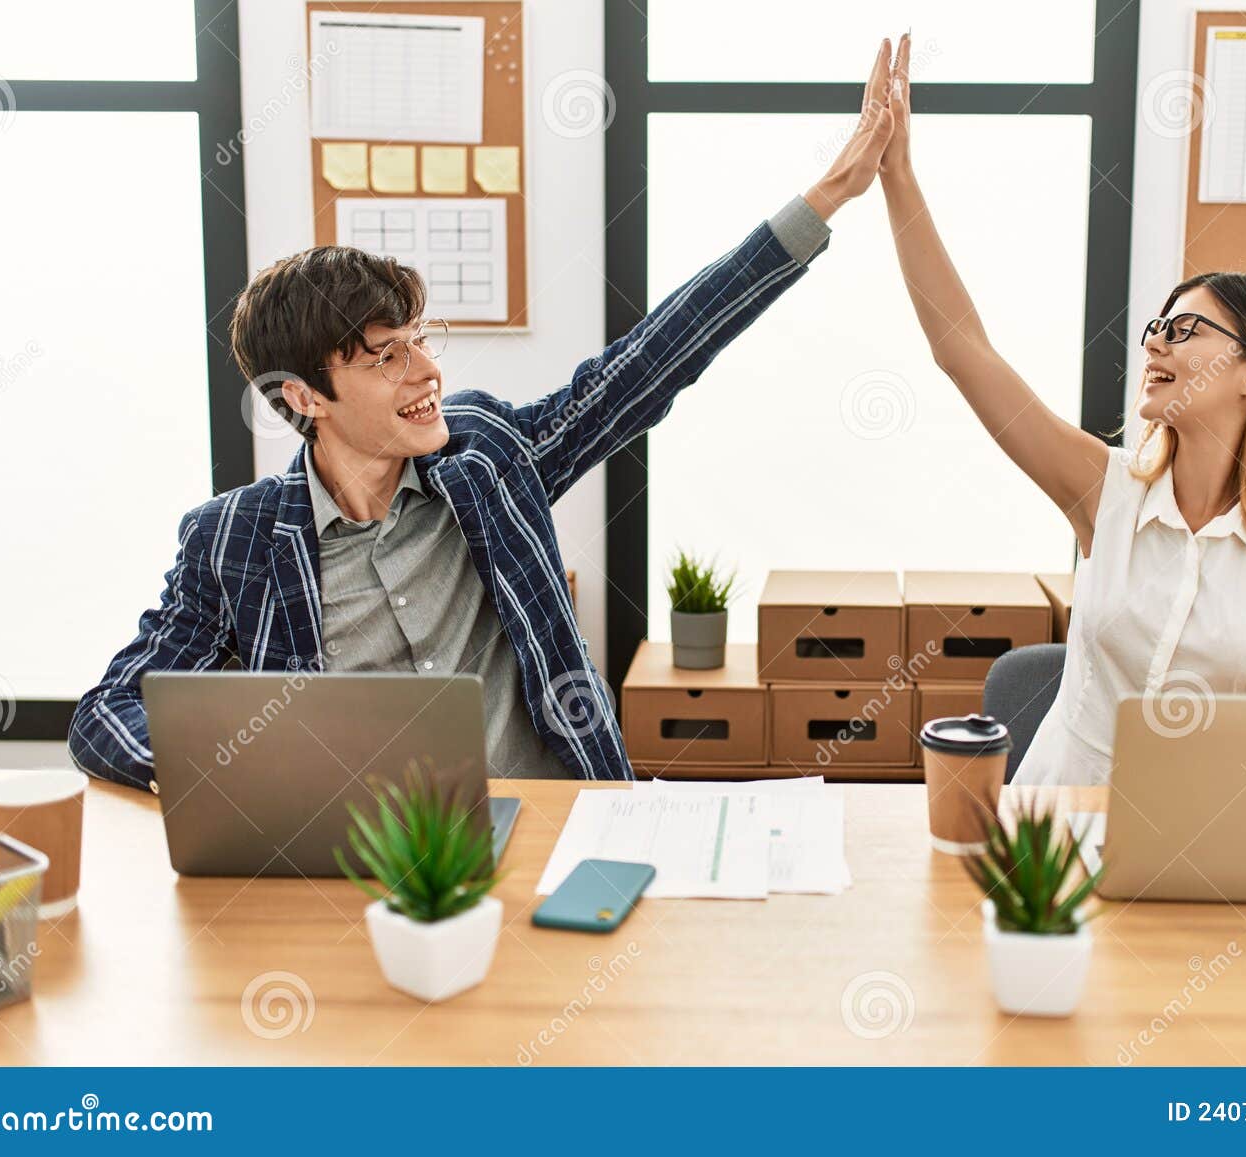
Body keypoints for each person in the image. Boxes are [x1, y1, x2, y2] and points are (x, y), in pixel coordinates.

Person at [68, 44, 902, 792]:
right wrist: (225, 775)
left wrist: (827, 195)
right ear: (304, 397)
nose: (427, 372)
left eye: (419, 341)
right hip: (378, 871)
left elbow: (648, 364)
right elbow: (106, 713)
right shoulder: (233, 541)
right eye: (386, 357)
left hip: (557, 833)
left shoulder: (484, 456)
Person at [875, 35, 1246, 786]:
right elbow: (962, 349)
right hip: (1053, 824)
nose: (1156, 342)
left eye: (1187, 329)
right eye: (1157, 327)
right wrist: (898, 175)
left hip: (1197, 835)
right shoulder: (1107, 491)